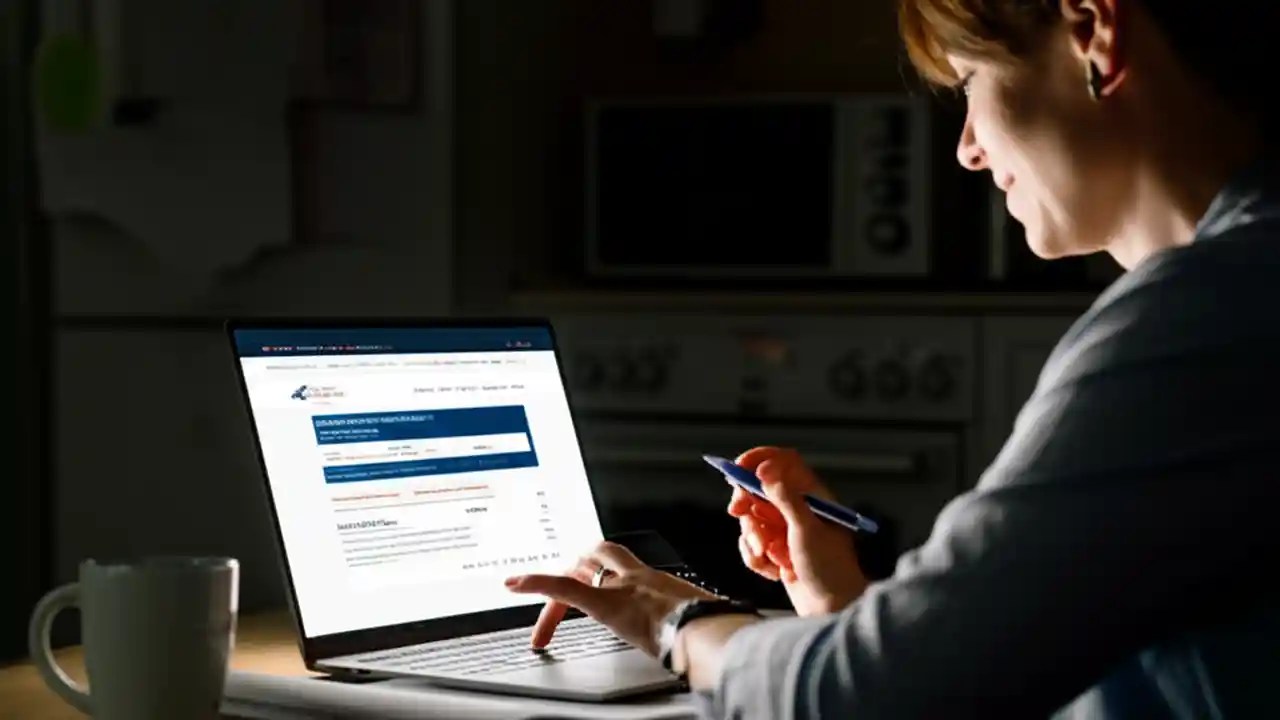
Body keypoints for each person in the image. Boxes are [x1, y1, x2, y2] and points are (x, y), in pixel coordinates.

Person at [504, 0, 1280, 716]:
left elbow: (875, 697)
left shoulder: (1207, 318)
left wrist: (673, 620)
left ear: (1093, 33)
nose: (968, 150)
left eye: (970, 80)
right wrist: (851, 613)